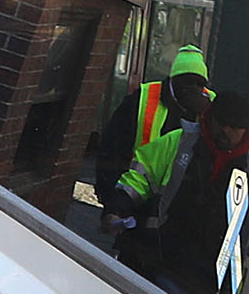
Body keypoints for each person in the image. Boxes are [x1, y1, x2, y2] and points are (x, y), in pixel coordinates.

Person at [117, 85, 249, 294]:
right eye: (221, 122)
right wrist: (119, 205)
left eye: (234, 127)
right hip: (170, 264)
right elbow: (140, 176)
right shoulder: (181, 142)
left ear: (245, 130)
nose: (225, 130)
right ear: (210, 117)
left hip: (215, 284)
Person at [90, 43, 214, 214]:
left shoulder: (211, 106)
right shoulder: (141, 99)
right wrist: (112, 200)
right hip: (135, 198)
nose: (194, 88)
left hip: (180, 207)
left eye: (199, 84)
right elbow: (112, 149)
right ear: (173, 80)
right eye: (187, 82)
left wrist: (204, 113)